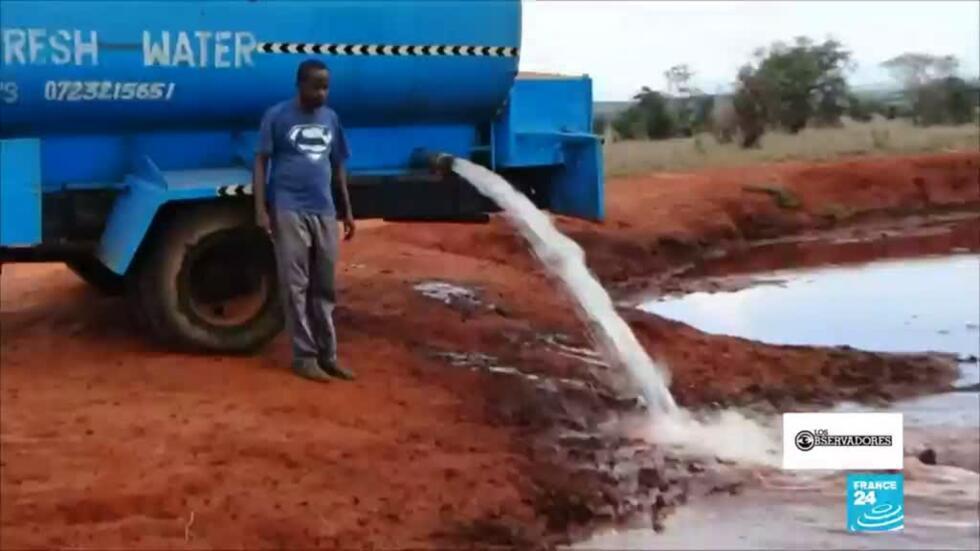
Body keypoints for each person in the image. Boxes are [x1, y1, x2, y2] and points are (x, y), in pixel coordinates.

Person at [252, 59, 356, 382]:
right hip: (289, 208)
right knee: (295, 285)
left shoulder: (331, 118)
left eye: (326, 87)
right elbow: (260, 163)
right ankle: (304, 356)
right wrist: (261, 208)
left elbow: (338, 164)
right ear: (300, 84)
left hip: (323, 210)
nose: (322, 94)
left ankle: (329, 355)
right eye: (316, 86)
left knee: (324, 286)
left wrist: (347, 209)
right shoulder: (277, 115)